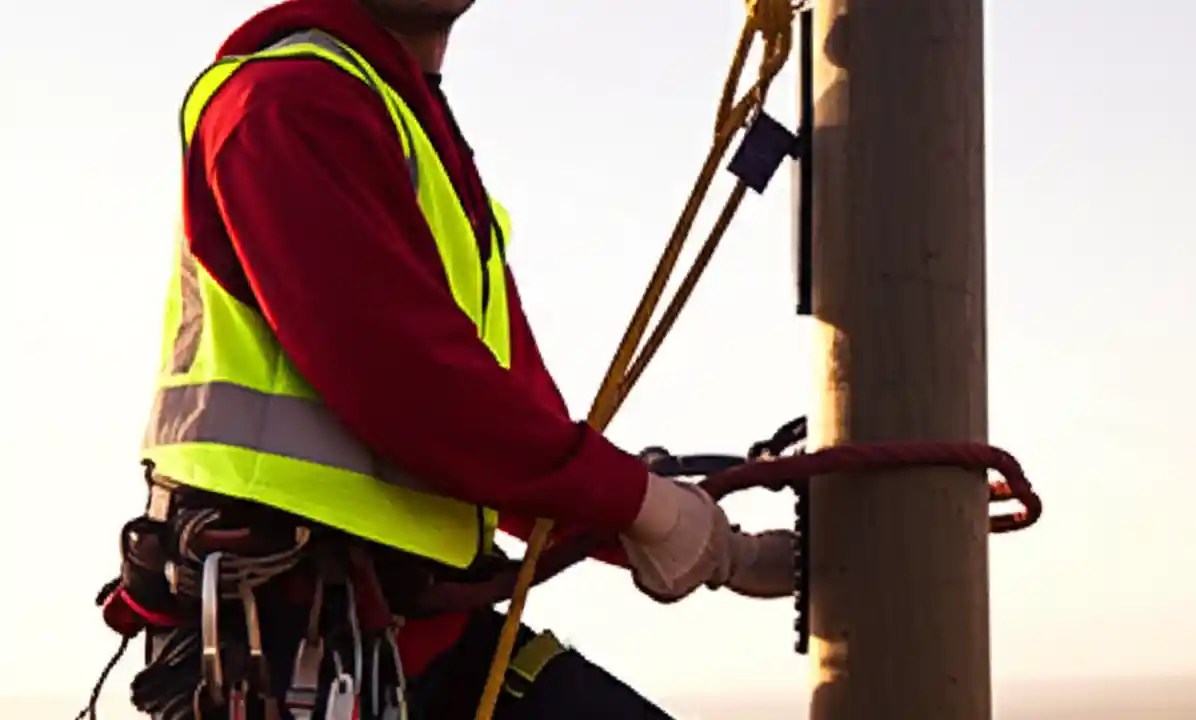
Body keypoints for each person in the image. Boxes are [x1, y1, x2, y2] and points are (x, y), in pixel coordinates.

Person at [85, 1, 796, 718]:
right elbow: (412, 390)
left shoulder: (409, 131)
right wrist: (646, 508)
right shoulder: (288, 101)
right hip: (299, 644)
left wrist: (712, 547)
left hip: (410, 638)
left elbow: (508, 430)